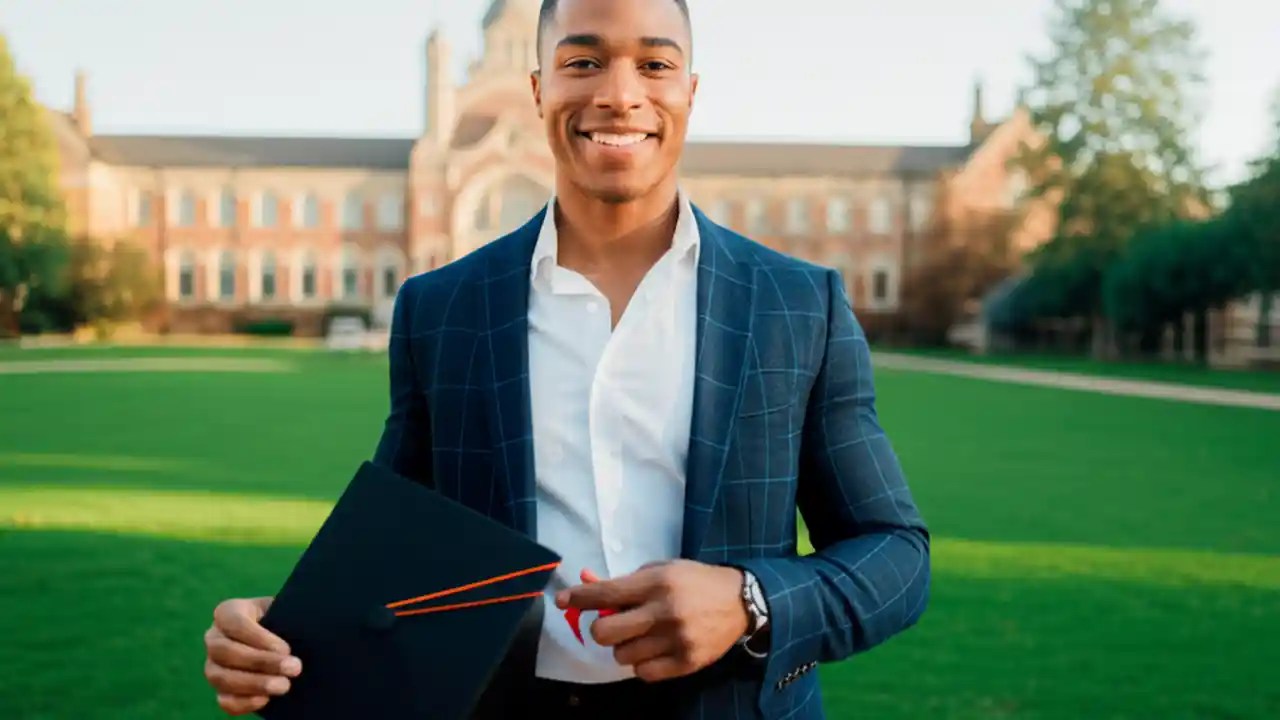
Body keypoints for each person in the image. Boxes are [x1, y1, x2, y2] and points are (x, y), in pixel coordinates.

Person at [202, 0, 930, 717]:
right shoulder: (441, 309)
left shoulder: (797, 305)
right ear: (538, 88)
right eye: (582, 62)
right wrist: (281, 635)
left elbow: (895, 555)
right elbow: (392, 563)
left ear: (690, 91)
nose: (619, 95)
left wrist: (750, 602)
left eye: (654, 64)